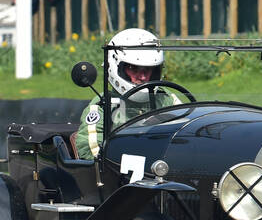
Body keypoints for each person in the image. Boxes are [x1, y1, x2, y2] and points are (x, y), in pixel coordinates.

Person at [74, 28, 188, 160]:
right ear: (115, 67)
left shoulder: (167, 99)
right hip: (120, 175)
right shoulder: (102, 106)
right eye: (133, 68)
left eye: (149, 69)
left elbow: (185, 133)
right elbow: (90, 149)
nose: (143, 77)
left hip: (165, 170)